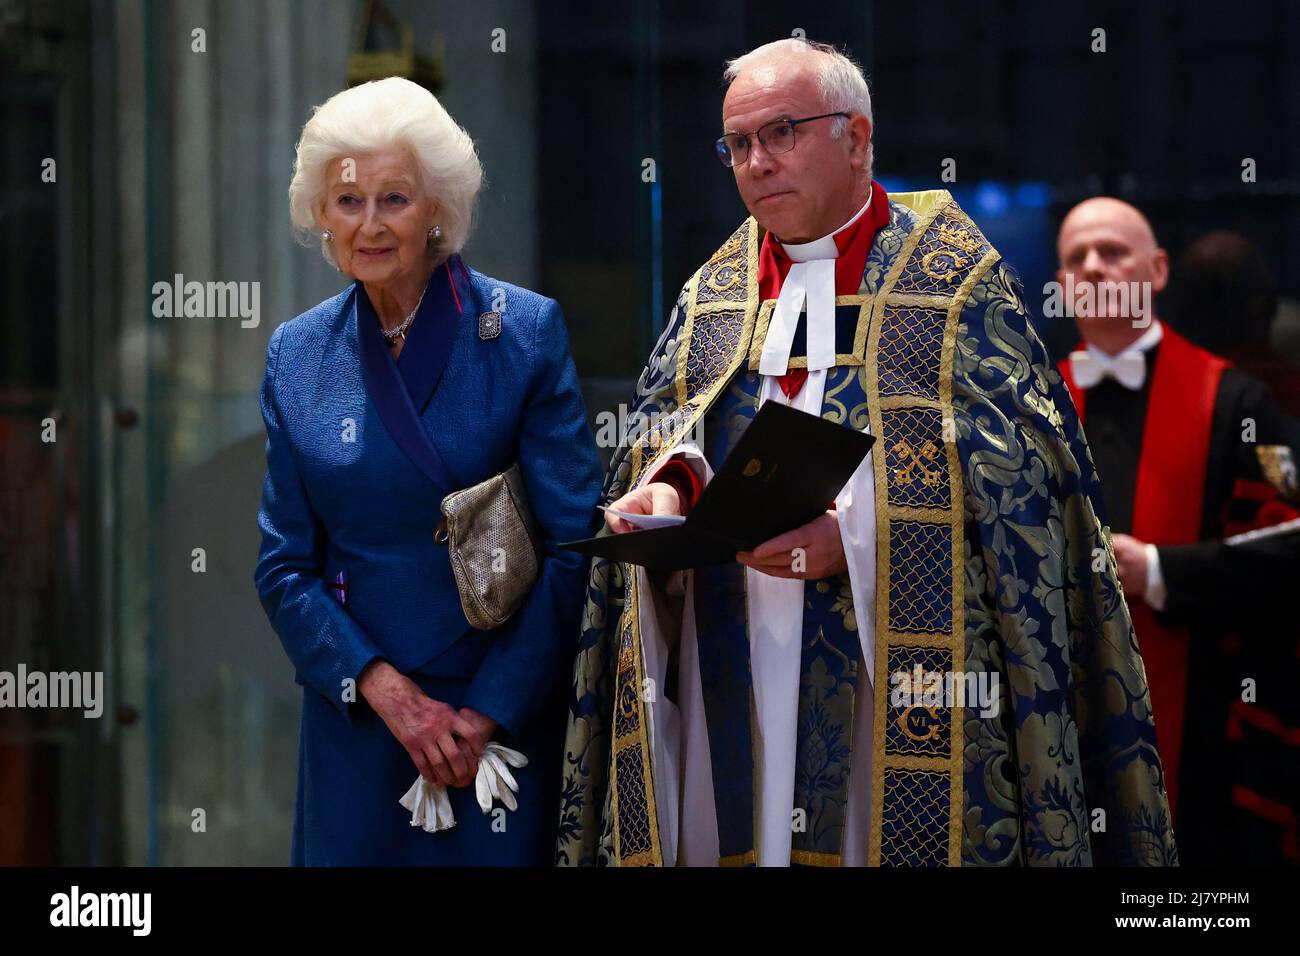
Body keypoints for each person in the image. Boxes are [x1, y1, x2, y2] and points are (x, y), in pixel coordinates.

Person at [556, 39, 1176, 867]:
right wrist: (665, 494)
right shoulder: (714, 289)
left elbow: (1025, 499)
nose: (755, 162)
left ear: (856, 137)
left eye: (780, 132)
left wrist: (854, 539)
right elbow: (679, 431)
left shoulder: (954, 285)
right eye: (737, 144)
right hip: (726, 643)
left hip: (892, 674)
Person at [255, 77, 602, 865]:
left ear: (438, 208)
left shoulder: (522, 334)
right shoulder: (296, 353)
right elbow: (283, 569)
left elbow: (576, 544)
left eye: (395, 199)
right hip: (359, 718)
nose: (370, 224)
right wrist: (383, 690)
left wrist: (485, 711)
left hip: (493, 724)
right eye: (348, 202)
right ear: (320, 213)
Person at [1055, 198, 1300, 864]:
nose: (1094, 268)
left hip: (1203, 730)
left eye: (1113, 251)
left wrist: (1161, 571)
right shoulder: (1034, 406)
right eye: (1076, 259)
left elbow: (1291, 547)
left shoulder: (1236, 401)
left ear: (1157, 271)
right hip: (1061, 730)